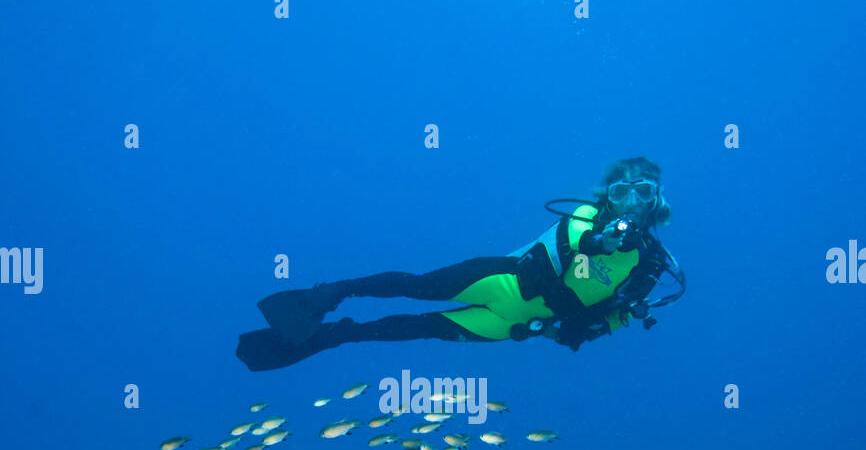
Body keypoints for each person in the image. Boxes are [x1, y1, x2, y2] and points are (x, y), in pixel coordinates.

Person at [236, 156, 685, 371]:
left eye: (643, 191)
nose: (631, 201)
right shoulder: (586, 216)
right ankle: (328, 293)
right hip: (499, 282)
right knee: (417, 285)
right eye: (621, 191)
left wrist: (580, 331)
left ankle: (328, 339)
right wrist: (602, 243)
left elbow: (618, 315)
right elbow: (575, 245)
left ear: (656, 200)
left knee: (418, 328)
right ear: (605, 194)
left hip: (516, 325)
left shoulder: (649, 266)